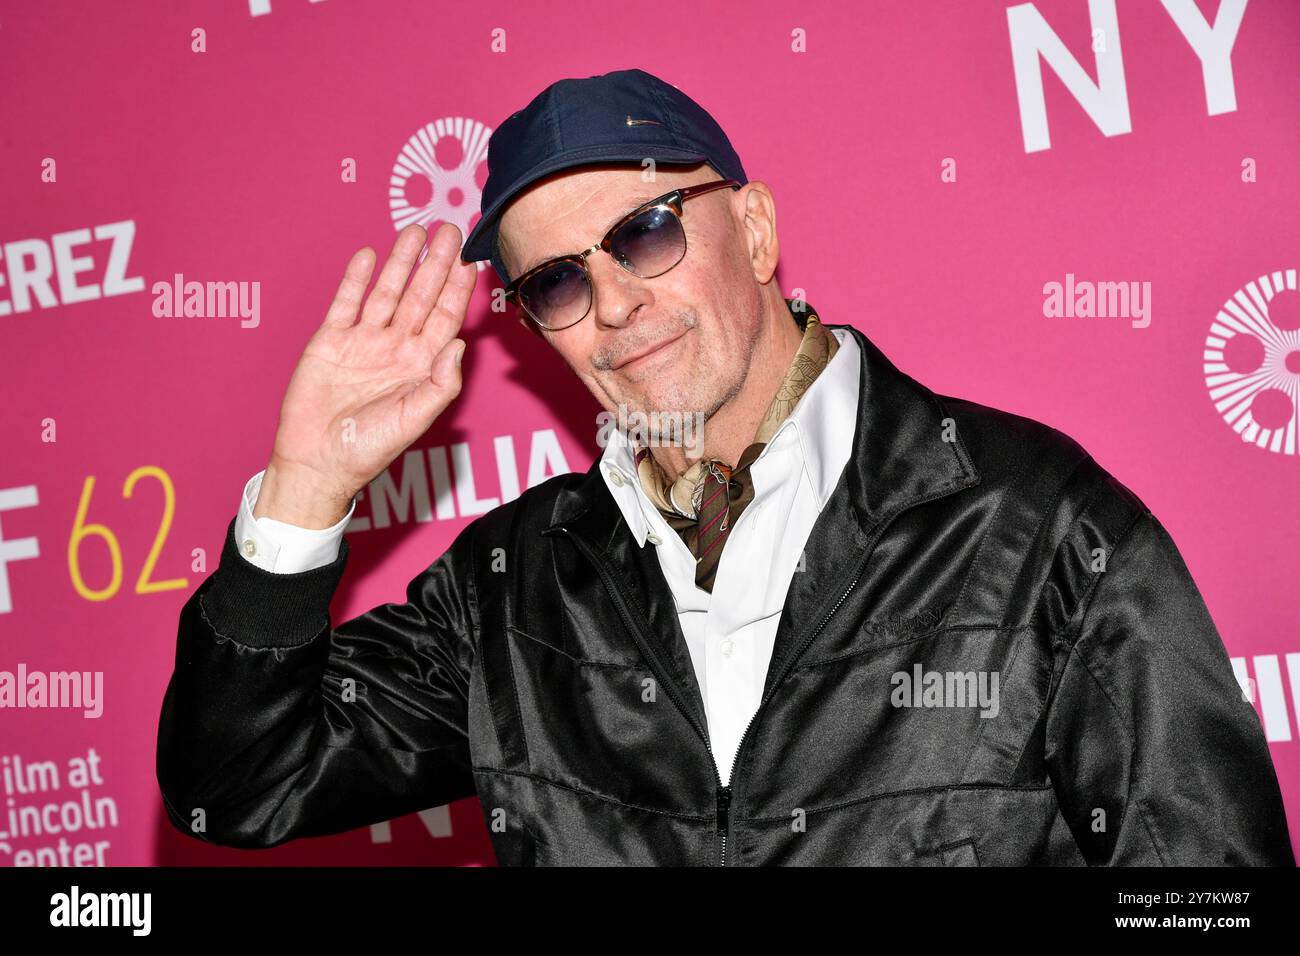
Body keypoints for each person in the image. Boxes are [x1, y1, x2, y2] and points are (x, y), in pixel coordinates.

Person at [156, 68, 1294, 866]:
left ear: (752, 231)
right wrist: (306, 482)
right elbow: (240, 785)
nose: (611, 303)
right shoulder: (513, 585)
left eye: (646, 229)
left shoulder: (1036, 523)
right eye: (554, 281)